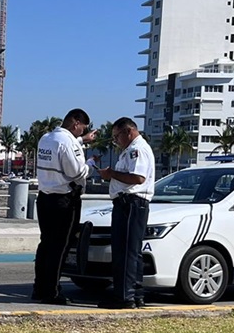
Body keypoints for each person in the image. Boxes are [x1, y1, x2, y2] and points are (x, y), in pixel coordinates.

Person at [31, 109, 95, 304]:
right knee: (60, 247)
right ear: (76, 123)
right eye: (82, 128)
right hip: (64, 199)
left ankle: (39, 288)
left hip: (44, 197)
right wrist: (90, 165)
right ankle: (52, 291)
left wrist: (83, 140)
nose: (81, 131)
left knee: (45, 245)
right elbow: (76, 172)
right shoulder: (67, 142)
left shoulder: (46, 138)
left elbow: (63, 150)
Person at [97, 117, 155, 309]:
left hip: (131, 203)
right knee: (132, 252)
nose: (116, 141)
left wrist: (111, 174)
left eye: (117, 136)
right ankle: (135, 294)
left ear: (128, 132)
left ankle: (123, 296)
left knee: (125, 251)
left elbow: (137, 178)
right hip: (130, 203)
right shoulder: (131, 150)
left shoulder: (136, 150)